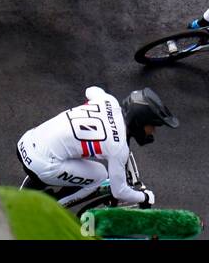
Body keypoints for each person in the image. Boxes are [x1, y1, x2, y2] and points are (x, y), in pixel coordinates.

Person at [17, 86, 177, 209]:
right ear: (140, 122)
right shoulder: (118, 147)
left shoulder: (109, 101)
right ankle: (50, 209)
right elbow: (119, 191)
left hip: (26, 142)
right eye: (152, 126)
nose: (153, 131)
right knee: (100, 175)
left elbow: (91, 90)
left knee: (64, 150)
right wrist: (145, 197)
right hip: (42, 164)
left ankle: (29, 189)